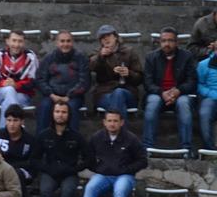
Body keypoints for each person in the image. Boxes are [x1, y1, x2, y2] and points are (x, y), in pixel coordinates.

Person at [78, 108, 147, 197]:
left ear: (121, 122)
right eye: (109, 121)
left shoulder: (131, 138)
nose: (112, 124)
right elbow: (87, 157)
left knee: (120, 190)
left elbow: (143, 160)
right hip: (103, 175)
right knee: (90, 188)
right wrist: (98, 169)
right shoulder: (96, 137)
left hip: (124, 176)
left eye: (115, 121)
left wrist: (127, 169)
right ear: (104, 122)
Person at [143, 28, 198, 156]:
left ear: (177, 42)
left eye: (170, 41)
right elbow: (147, 82)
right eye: (163, 41)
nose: (166, 44)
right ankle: (146, 148)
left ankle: (187, 149)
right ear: (159, 42)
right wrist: (162, 92)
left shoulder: (187, 56)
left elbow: (192, 81)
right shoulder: (151, 57)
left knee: (184, 103)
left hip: (180, 94)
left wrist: (178, 91)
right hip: (158, 94)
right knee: (152, 102)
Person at [35, 100, 88, 197]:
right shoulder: (43, 135)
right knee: (45, 191)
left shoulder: (77, 137)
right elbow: (34, 159)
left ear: (69, 115)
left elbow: (88, 159)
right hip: (49, 172)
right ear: (52, 114)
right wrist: (47, 169)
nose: (60, 115)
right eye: (57, 111)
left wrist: (73, 169)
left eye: (64, 112)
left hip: (69, 173)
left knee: (68, 191)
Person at [36, 31, 90, 133]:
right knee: (44, 106)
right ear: (57, 43)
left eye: (68, 41)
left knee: (72, 107)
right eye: (62, 41)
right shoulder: (48, 58)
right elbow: (40, 79)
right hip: (51, 95)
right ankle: (41, 141)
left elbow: (85, 82)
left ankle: (73, 141)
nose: (65, 44)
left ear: (72, 42)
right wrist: (51, 94)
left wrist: (69, 96)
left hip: (74, 97)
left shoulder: (81, 58)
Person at [89, 24, 143, 118]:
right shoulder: (97, 53)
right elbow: (91, 66)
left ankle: (114, 131)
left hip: (127, 92)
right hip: (105, 93)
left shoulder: (129, 52)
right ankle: (120, 131)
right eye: (103, 37)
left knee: (119, 93)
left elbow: (140, 78)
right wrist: (100, 56)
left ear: (115, 37)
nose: (106, 39)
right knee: (117, 100)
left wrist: (129, 73)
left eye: (108, 36)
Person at [0, 31, 39, 129]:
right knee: (9, 91)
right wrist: (5, 83)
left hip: (23, 96)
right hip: (1, 93)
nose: (16, 44)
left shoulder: (30, 57)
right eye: (14, 41)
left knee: (10, 100)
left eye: (20, 41)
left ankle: (3, 133)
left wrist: (16, 85)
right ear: (7, 41)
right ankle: (17, 129)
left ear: (24, 43)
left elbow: (33, 82)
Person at [0, 105, 38, 197]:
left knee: (17, 174)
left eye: (15, 120)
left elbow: (32, 162)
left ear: (22, 122)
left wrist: (9, 167)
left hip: (22, 171)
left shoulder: (30, 140)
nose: (12, 124)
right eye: (9, 120)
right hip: (0, 170)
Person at [200, 44, 217, 151]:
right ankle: (209, 149)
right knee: (205, 112)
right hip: (210, 98)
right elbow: (199, 85)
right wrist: (212, 94)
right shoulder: (203, 65)